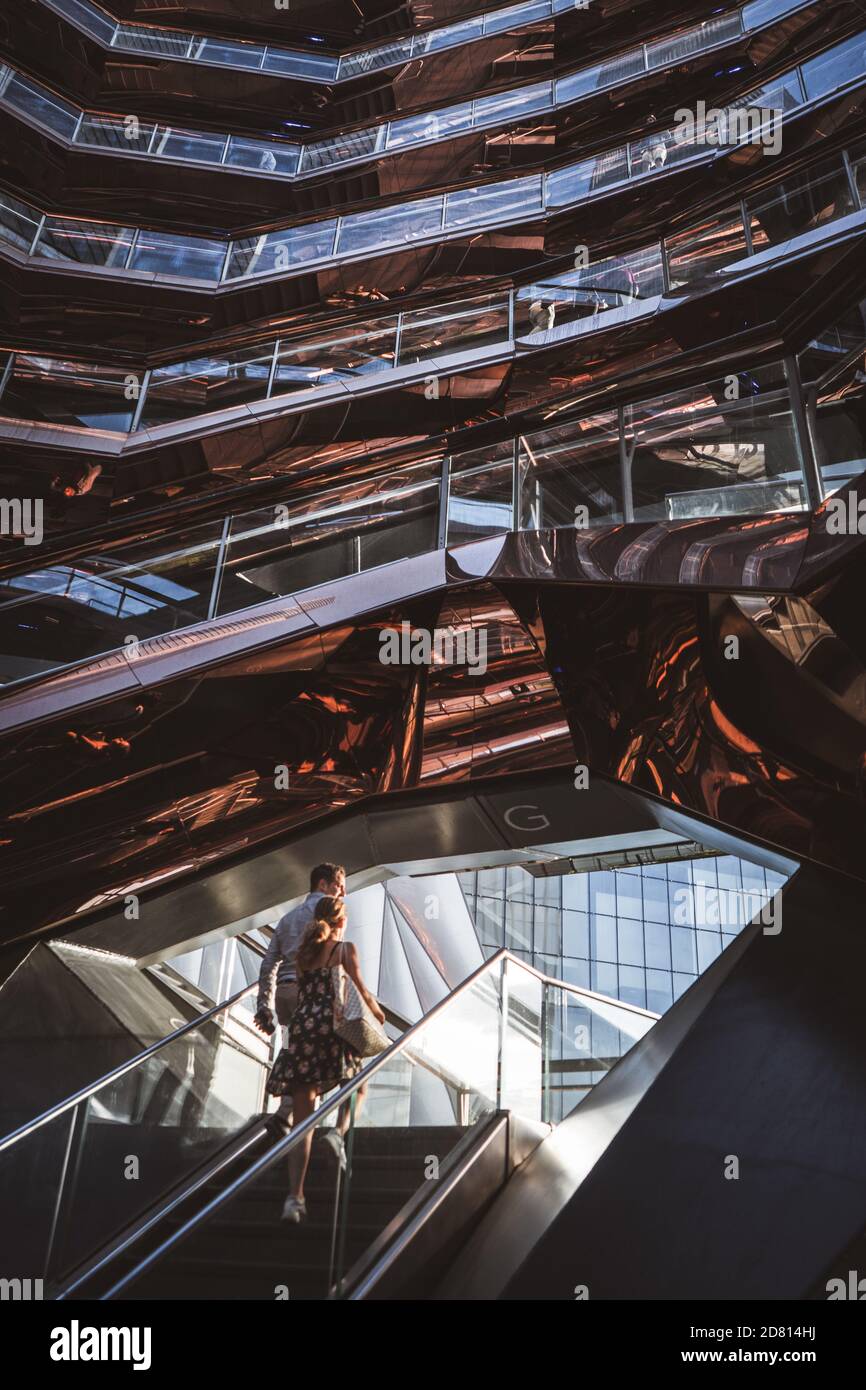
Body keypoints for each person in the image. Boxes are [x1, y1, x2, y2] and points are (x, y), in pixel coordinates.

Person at [276, 895, 385, 1223]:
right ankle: (338, 1133)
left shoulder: (304, 954)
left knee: (302, 1122)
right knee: (358, 1084)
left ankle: (294, 1198)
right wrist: (378, 1015)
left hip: (303, 1032)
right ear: (341, 921)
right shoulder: (344, 950)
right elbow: (362, 991)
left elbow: (300, 993)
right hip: (332, 1029)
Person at [254, 863, 345, 1133]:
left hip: (284, 994)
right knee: (311, 1060)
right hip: (311, 995)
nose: (342, 894)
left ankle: (286, 1114)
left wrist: (264, 1005)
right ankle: (292, 1122)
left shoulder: (287, 919)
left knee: (291, 1050)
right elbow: (334, 961)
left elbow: (269, 962)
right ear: (323, 885)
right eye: (339, 886)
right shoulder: (330, 916)